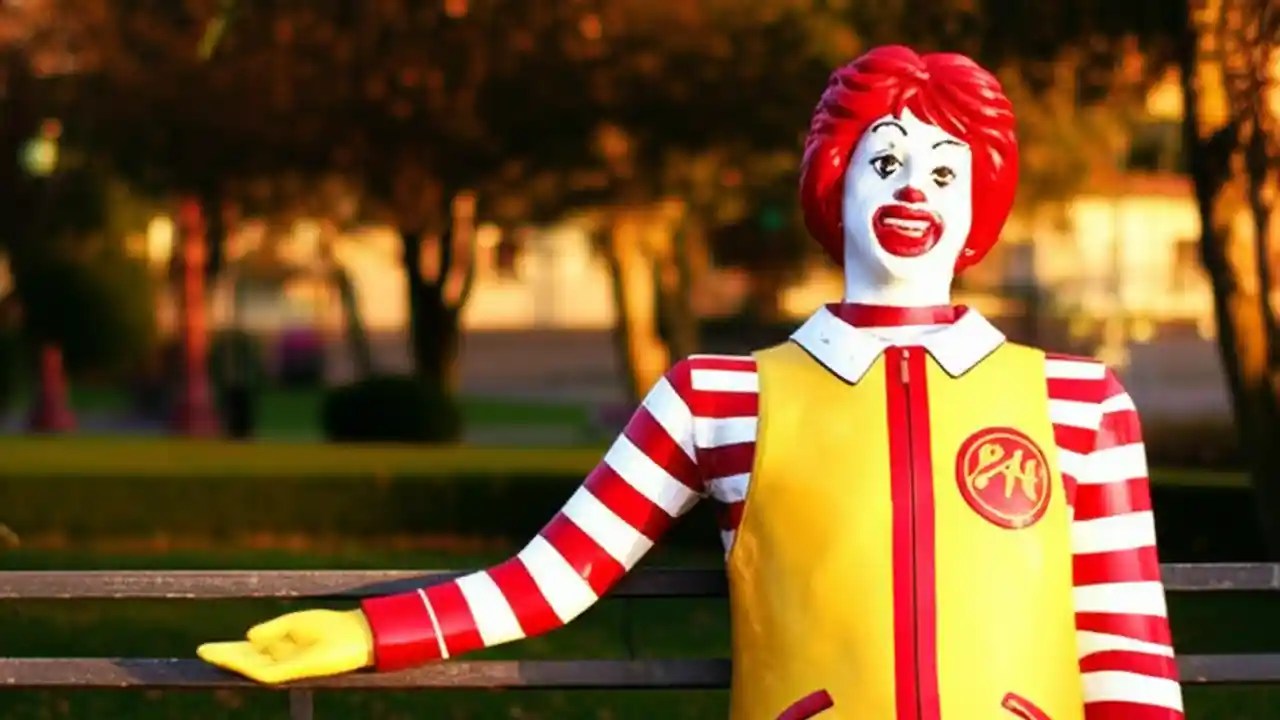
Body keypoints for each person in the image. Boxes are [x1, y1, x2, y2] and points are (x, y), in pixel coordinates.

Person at [197, 45, 1185, 720]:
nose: (912, 189)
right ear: (830, 184)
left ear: (980, 204)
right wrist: (369, 632)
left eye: (942, 167)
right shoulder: (719, 396)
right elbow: (552, 581)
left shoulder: (1078, 403)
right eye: (882, 162)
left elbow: (1124, 655)